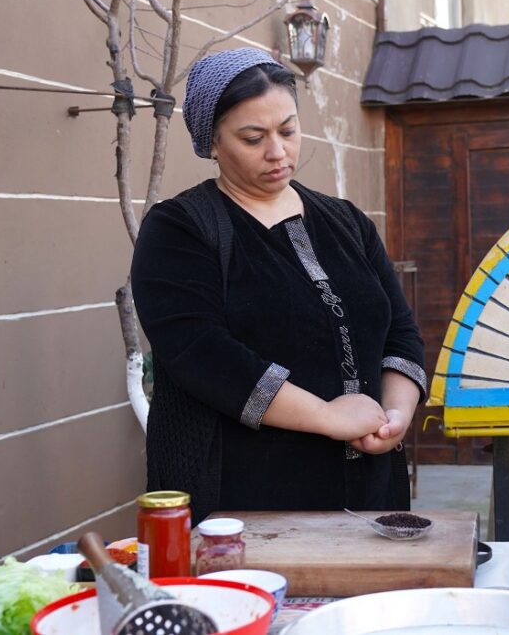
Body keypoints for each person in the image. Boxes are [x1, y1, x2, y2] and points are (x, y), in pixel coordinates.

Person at [131, 47, 426, 524]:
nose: (278, 152)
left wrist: (394, 414)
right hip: (241, 504)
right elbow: (201, 354)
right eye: (253, 138)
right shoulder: (181, 230)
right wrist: (328, 417)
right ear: (211, 142)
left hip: (371, 491)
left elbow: (399, 330)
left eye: (288, 131)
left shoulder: (346, 222)